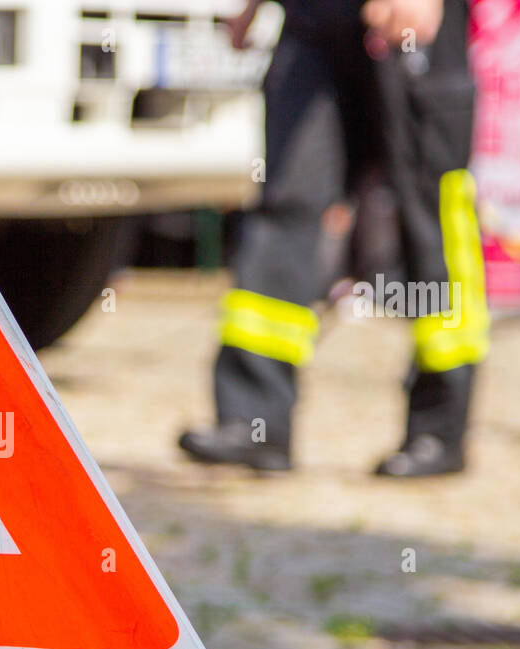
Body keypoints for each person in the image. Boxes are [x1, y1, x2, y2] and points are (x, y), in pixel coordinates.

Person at [179, 0, 488, 476]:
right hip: (312, 20)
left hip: (406, 18)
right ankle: (254, 423)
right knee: (285, 202)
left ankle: (439, 427)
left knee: (430, 211)